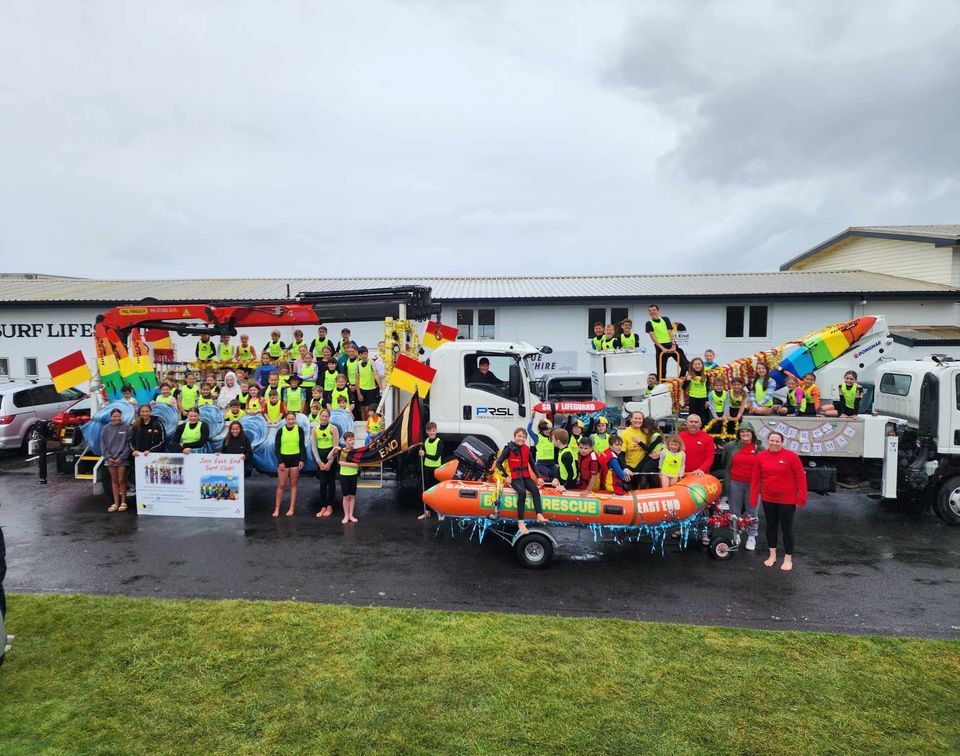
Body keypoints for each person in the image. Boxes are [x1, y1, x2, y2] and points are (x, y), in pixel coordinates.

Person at [749, 430, 807, 571]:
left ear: (782, 443)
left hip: (787, 499)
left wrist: (802, 496)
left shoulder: (791, 456)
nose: (774, 443)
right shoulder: (761, 456)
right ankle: (772, 555)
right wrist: (753, 496)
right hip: (768, 498)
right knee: (771, 526)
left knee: (786, 528)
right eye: (772, 440)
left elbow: (800, 477)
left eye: (777, 441)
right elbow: (756, 477)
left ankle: (788, 558)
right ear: (767, 441)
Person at [495, 428, 546, 535]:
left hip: (525, 476)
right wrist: (506, 476)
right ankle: (521, 522)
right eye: (519, 436)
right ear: (514, 437)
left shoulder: (527, 449)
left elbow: (532, 464)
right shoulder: (509, 448)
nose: (521, 439)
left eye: (523, 437)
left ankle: (539, 515)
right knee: (522, 493)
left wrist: (539, 477)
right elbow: (498, 463)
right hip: (515, 477)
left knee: (535, 490)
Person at [720, 425, 762, 550]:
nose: (745, 434)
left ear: (752, 433)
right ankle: (735, 534)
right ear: (739, 433)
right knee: (734, 512)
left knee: (752, 511)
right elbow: (724, 462)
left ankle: (751, 536)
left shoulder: (759, 448)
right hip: (735, 483)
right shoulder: (730, 446)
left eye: (747, 431)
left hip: (753, 485)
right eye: (742, 431)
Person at [273, 412, 306, 517]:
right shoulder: (280, 431)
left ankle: (291, 508)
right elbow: (277, 447)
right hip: (283, 460)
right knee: (281, 485)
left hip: (295, 459)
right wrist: (280, 462)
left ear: (295, 419)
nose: (291, 421)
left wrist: (302, 460)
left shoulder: (299, 430)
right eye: (289, 419)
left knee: (293, 484)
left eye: (293, 419)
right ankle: (277, 508)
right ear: (285, 420)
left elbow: (302, 445)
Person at [645, 304, 688, 380]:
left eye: (654, 310)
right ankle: (661, 385)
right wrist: (662, 348)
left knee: (685, 366)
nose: (652, 312)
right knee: (661, 372)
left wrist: (673, 345)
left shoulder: (665, 319)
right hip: (660, 347)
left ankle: (680, 382)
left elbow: (670, 332)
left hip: (671, 345)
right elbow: (653, 337)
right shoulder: (649, 323)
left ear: (658, 311)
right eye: (650, 310)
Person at [101, 408, 132, 512]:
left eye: (118, 416)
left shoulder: (127, 427)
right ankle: (115, 503)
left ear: (121, 416)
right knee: (114, 481)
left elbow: (129, 444)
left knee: (121, 480)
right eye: (114, 416)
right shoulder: (106, 428)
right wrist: (108, 457)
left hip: (122, 459)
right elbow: (103, 444)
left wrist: (121, 458)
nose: (117, 418)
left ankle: (123, 502)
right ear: (111, 417)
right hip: (110, 459)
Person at [312, 409, 340, 518]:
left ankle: (330, 506)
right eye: (322, 416)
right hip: (320, 458)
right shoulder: (315, 429)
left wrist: (330, 462)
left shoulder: (333, 428)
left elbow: (336, 447)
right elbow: (314, 447)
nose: (324, 418)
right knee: (322, 483)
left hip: (330, 458)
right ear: (320, 416)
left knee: (331, 482)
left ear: (329, 417)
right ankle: (323, 506)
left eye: (326, 416)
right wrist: (319, 461)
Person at [418, 422, 443, 520]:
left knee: (437, 492)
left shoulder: (439, 441)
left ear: (436, 430)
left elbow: (436, 457)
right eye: (430, 431)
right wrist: (421, 453)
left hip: (436, 469)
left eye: (433, 430)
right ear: (426, 432)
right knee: (427, 491)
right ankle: (426, 512)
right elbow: (424, 453)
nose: (432, 432)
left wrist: (424, 455)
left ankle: (439, 512)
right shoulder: (426, 441)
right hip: (426, 467)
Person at [334, 431, 360, 524]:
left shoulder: (356, 451)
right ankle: (346, 515)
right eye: (350, 440)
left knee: (352, 496)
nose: (352, 441)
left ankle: (351, 515)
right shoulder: (342, 451)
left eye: (353, 439)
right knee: (346, 496)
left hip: (353, 475)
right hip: (344, 476)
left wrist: (345, 463)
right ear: (345, 441)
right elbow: (339, 462)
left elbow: (357, 465)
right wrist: (352, 464)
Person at [620, 411, 648, 490]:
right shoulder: (625, 434)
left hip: (643, 466)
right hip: (630, 467)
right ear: (631, 420)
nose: (638, 420)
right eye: (635, 418)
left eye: (640, 419)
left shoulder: (646, 432)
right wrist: (625, 468)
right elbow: (621, 454)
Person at [635, 417, 665, 489]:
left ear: (648, 427)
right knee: (652, 473)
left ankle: (643, 490)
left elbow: (649, 449)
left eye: (644, 429)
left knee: (644, 472)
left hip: (654, 458)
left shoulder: (656, 436)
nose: (643, 431)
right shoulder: (653, 435)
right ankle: (653, 489)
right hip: (652, 457)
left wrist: (639, 442)